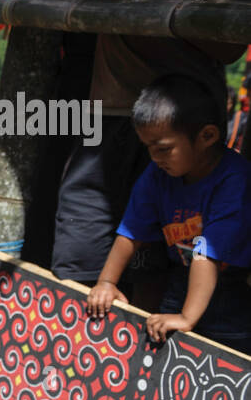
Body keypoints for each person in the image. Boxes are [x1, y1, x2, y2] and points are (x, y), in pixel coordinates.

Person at [28, 0, 251, 288]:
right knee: (79, 268)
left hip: (186, 137)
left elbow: (229, 45)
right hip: (106, 124)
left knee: (164, 281)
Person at [88, 74, 251, 354]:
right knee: (165, 349)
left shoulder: (234, 180)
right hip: (182, 279)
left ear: (207, 137)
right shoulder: (157, 174)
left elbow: (207, 251)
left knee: (227, 366)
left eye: (163, 149)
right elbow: (131, 230)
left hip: (233, 293)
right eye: (148, 149)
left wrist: (187, 318)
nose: (154, 158)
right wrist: (106, 283)